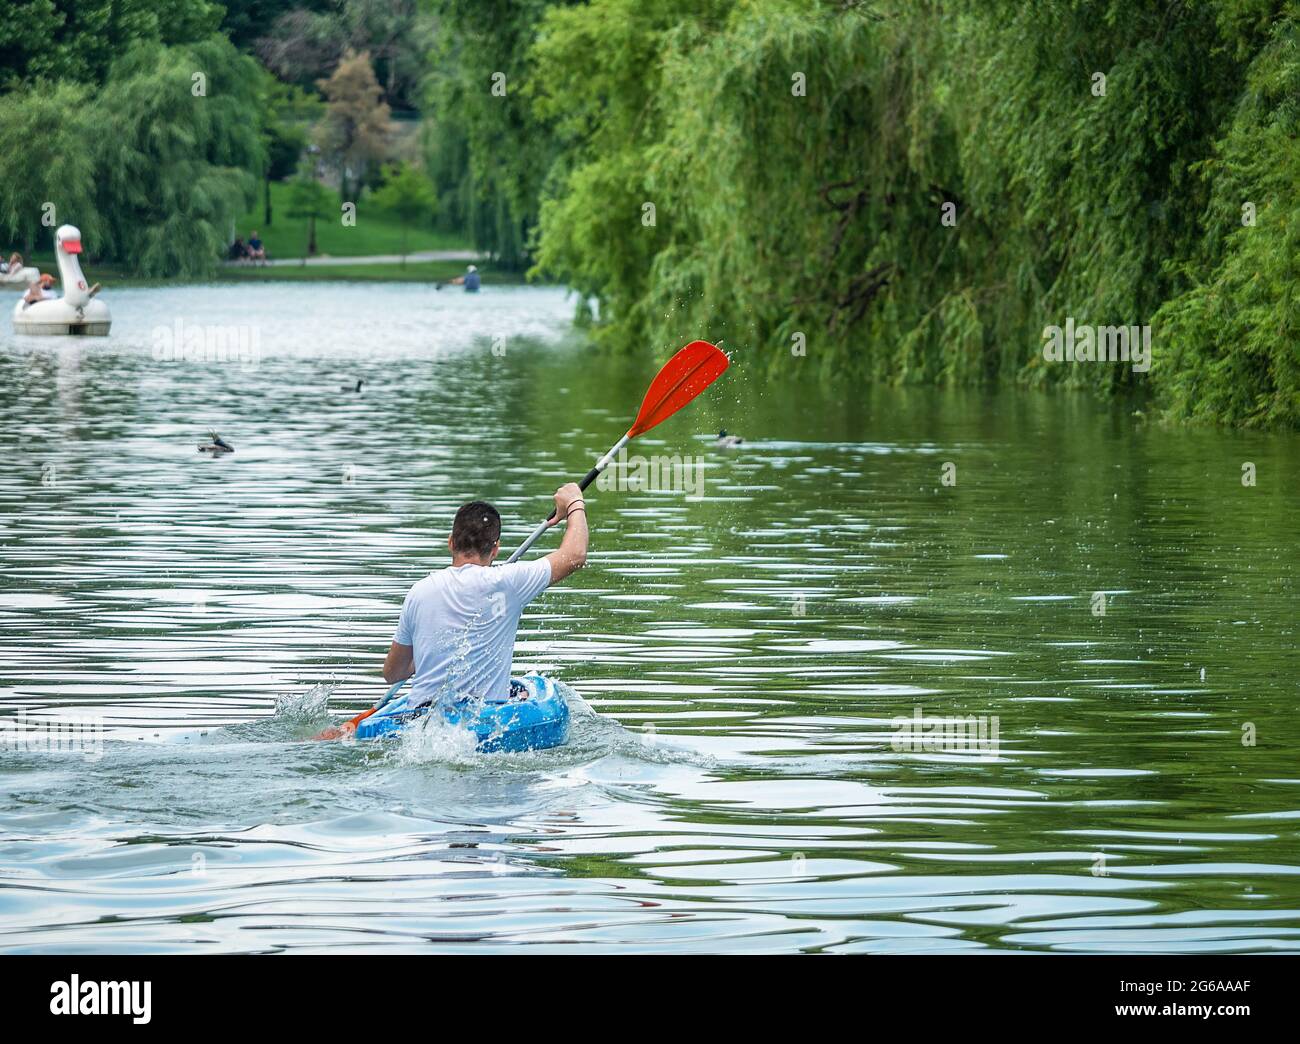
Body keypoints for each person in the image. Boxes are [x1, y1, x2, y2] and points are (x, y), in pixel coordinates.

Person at [326, 486, 588, 739]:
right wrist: (575, 501)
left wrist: (433, 652)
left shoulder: (419, 592)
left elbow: (393, 674)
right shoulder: (508, 581)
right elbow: (575, 555)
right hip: (480, 727)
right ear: (495, 548)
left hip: (419, 724)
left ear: (451, 543)